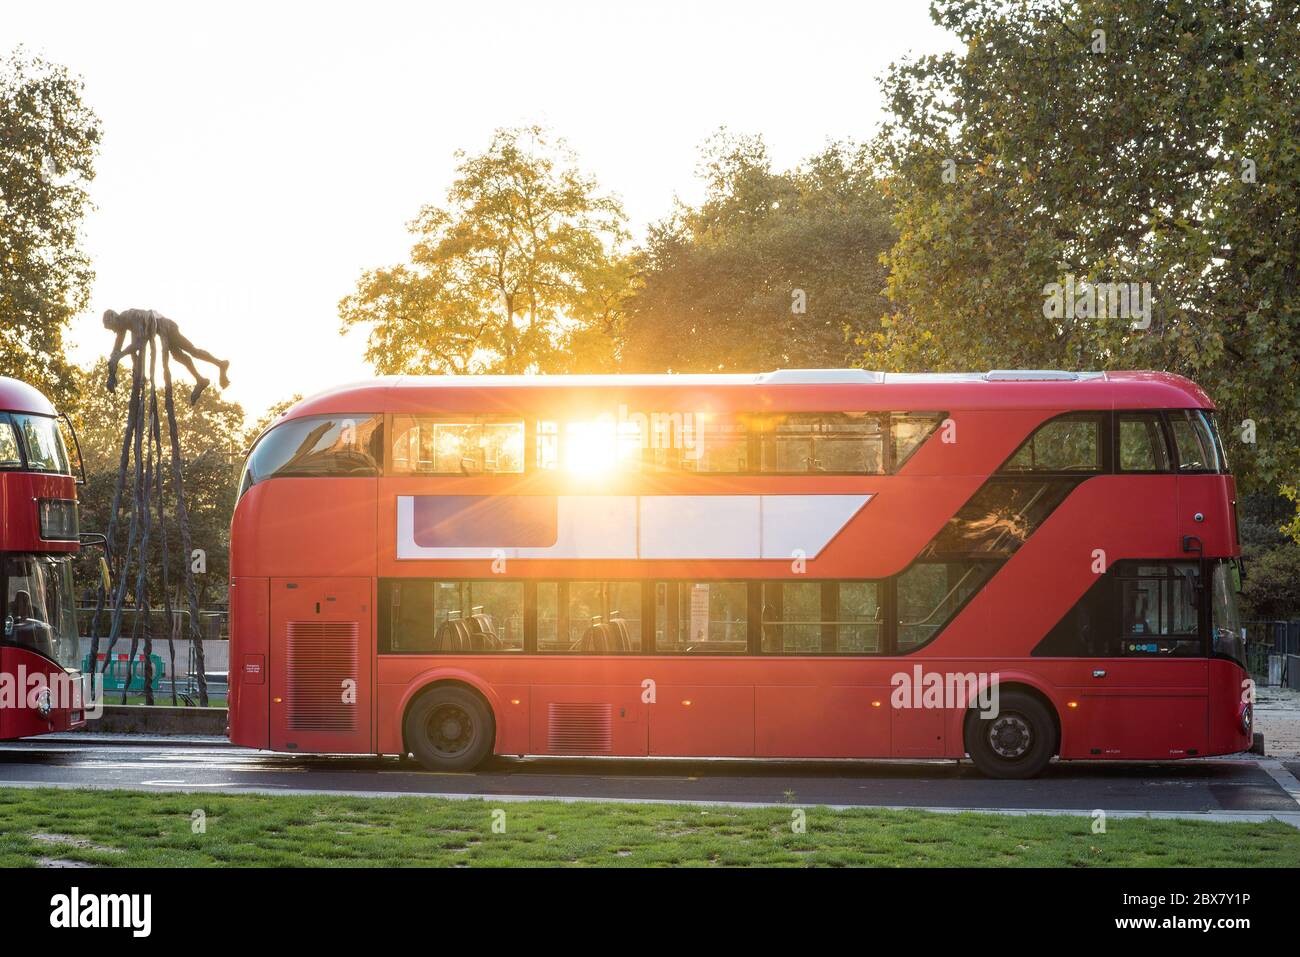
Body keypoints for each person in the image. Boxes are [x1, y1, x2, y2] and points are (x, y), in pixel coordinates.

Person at [103, 308, 230, 404]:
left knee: (192, 351)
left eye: (112, 327)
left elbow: (138, 344)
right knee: (180, 357)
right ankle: (201, 380)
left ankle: (221, 364)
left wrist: (119, 356)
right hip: (161, 329)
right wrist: (111, 375)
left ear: (115, 317)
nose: (114, 330)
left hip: (166, 327)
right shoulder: (121, 327)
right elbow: (116, 352)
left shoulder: (131, 316)